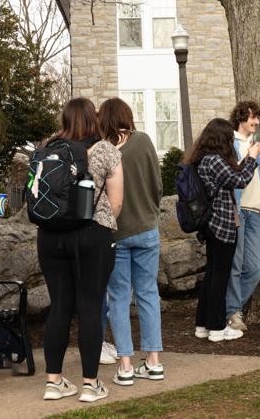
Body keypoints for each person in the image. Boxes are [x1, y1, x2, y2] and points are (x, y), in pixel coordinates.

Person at [38, 98, 123, 403]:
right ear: (93, 118)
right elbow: (116, 203)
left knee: (60, 305)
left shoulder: (48, 148)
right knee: (90, 304)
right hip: (91, 234)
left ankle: (53, 381)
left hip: (50, 235)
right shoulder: (105, 150)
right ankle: (90, 384)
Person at [97, 98, 164, 386]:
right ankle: (153, 361)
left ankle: (125, 364)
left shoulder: (102, 150)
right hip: (148, 228)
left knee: (119, 298)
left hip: (116, 233)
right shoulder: (145, 141)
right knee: (149, 294)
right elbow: (158, 185)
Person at [189, 118, 260, 343]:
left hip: (212, 224)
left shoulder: (204, 159)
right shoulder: (215, 160)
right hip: (222, 225)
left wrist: (249, 158)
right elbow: (240, 179)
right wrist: (253, 156)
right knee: (220, 277)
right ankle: (217, 327)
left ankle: (202, 325)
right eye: (228, 138)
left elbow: (234, 174)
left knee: (212, 275)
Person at [225, 101, 260, 332]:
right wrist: (252, 155)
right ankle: (232, 313)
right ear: (241, 118)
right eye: (252, 117)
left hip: (255, 210)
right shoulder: (230, 143)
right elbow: (234, 174)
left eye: (258, 117)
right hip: (236, 209)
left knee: (255, 268)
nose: (256, 122)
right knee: (235, 265)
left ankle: (228, 308)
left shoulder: (256, 144)